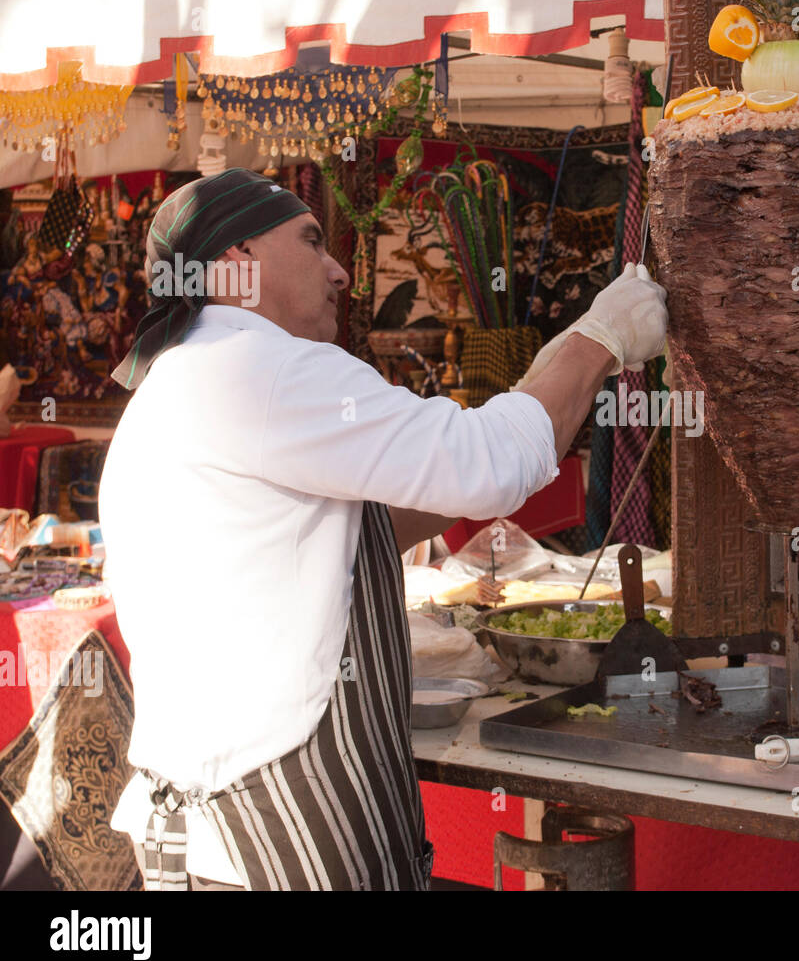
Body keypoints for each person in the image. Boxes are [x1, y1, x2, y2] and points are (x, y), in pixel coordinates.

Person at [98, 168, 667, 890]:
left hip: (205, 829)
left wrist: (552, 375)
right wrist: (600, 340)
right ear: (237, 262)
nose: (338, 270)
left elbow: (367, 521)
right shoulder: (261, 368)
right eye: (311, 242)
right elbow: (488, 464)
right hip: (274, 830)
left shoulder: (181, 380)